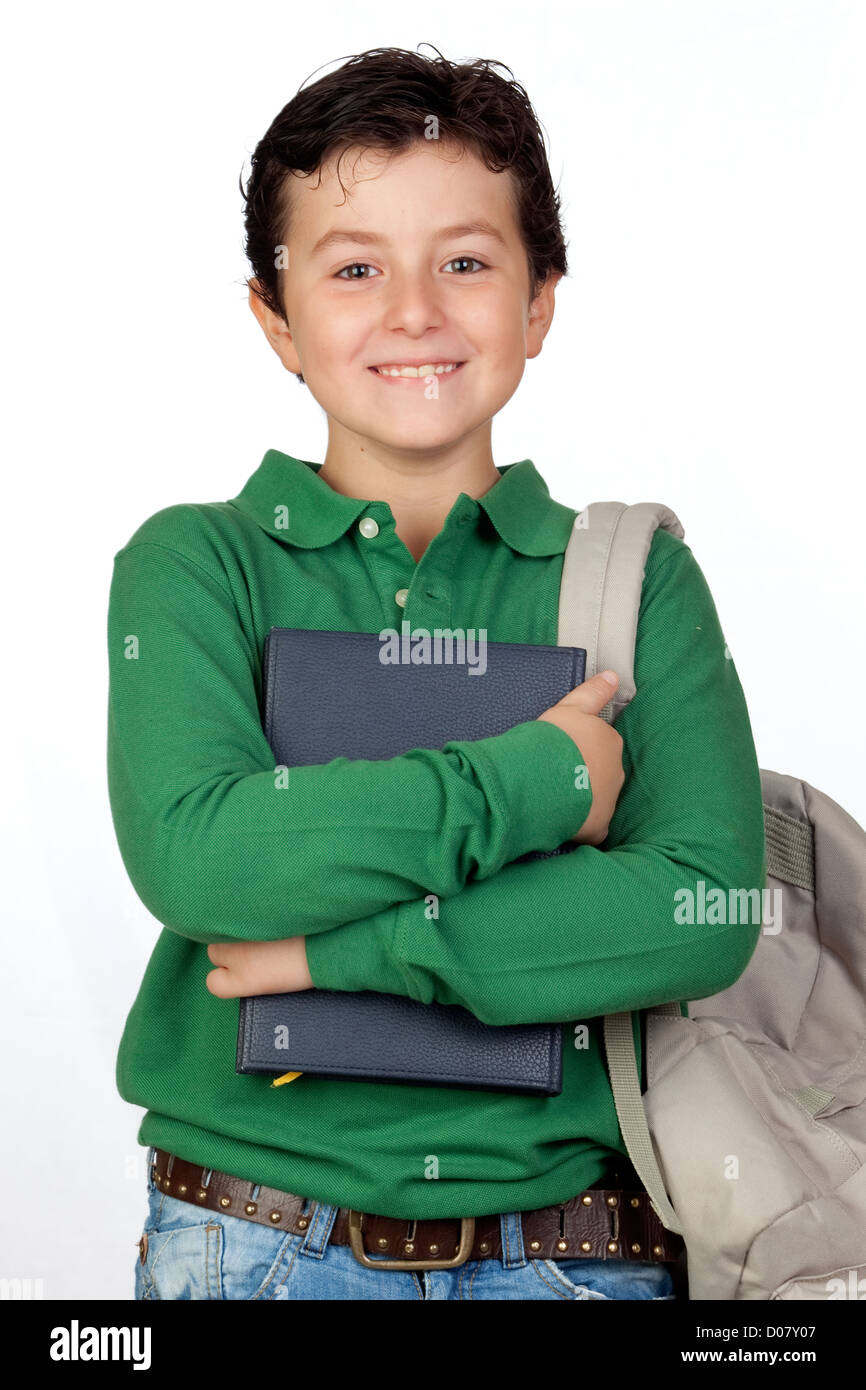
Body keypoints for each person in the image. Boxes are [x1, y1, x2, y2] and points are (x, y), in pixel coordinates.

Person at [108, 45, 765, 1301]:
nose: (413, 310)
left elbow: (704, 905)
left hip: (573, 1255)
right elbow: (201, 857)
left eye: (464, 262)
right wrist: (540, 777)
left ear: (537, 304)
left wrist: (329, 951)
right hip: (249, 1247)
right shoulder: (193, 565)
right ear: (274, 316)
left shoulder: (633, 581)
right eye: (354, 268)